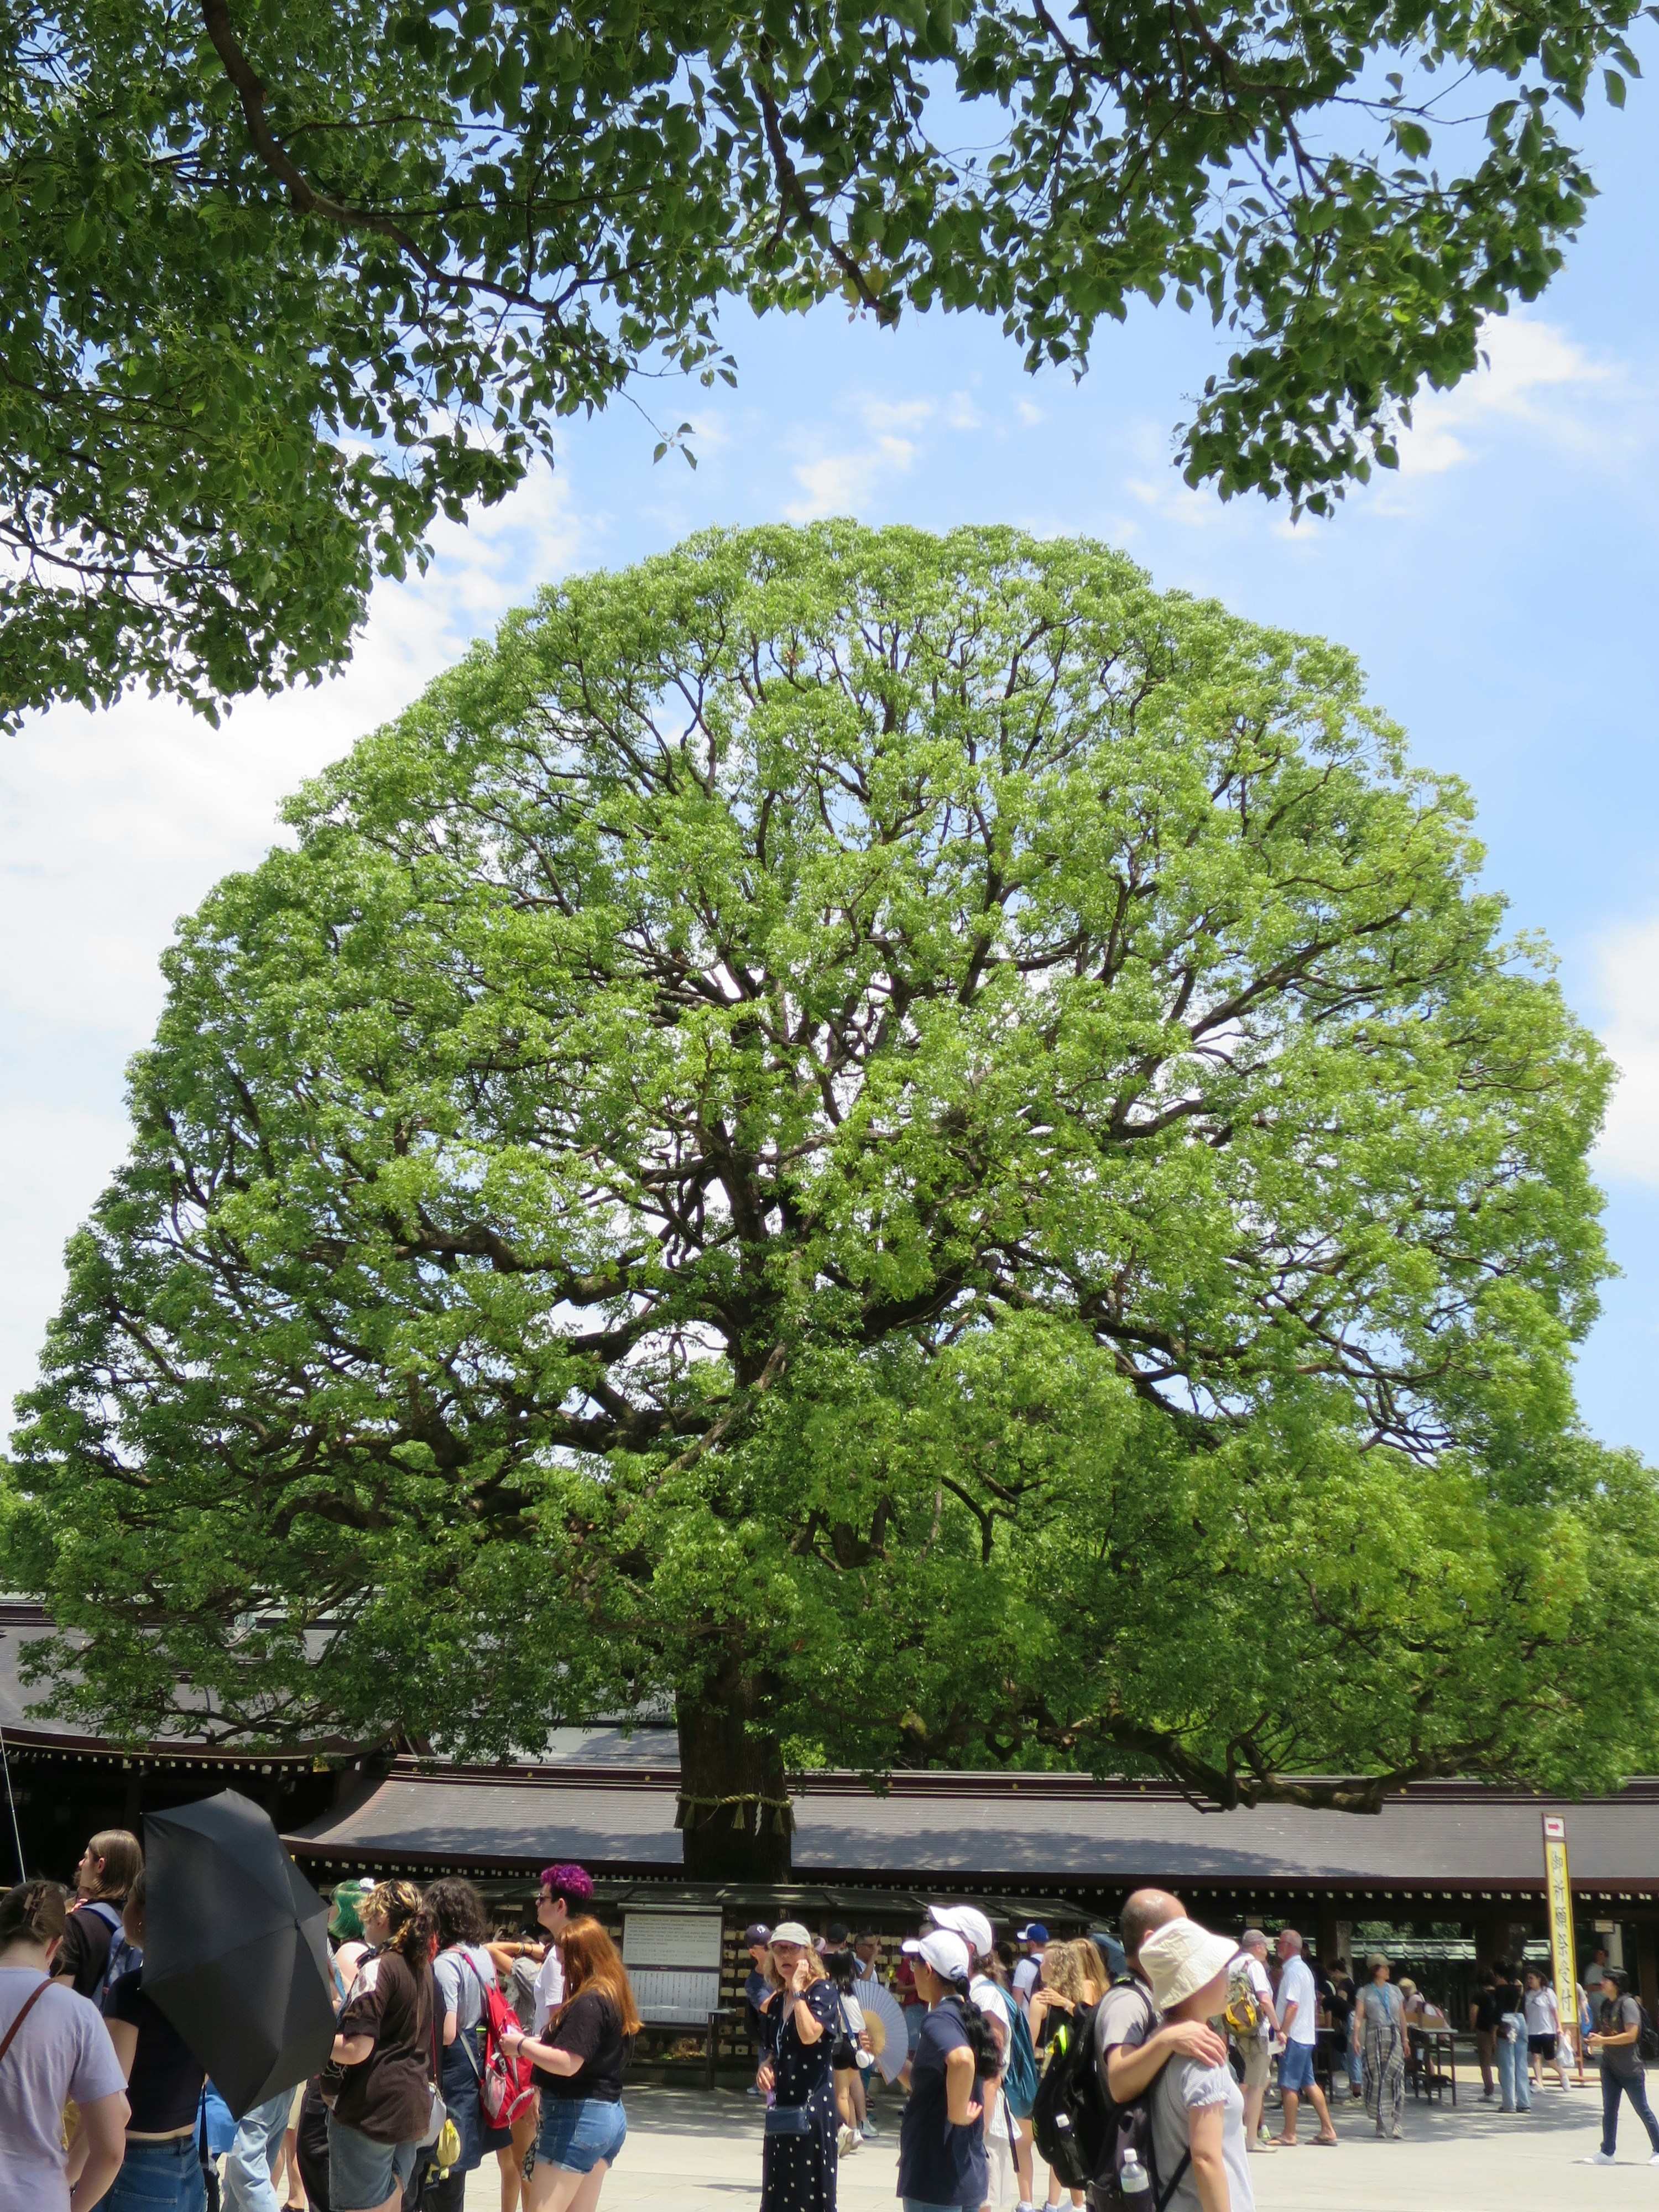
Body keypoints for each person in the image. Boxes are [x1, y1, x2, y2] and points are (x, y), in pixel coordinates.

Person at [0, 1878, 130, 2212]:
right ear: (54, 1946)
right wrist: (70, 2194)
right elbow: (112, 2146)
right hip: (36, 2198)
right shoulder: (78, 2013)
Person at [498, 1915, 637, 2212]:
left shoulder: (589, 2001)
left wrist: (521, 2046)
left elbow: (568, 2061)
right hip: (607, 2115)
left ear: (582, 1959)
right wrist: (527, 2044)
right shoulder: (613, 1993)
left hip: (577, 2117)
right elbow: (572, 2047)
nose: (562, 1969)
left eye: (565, 1961)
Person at [98, 1871, 208, 2211]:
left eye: (130, 1900)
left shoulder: (133, 1991)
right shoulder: (209, 1989)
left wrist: (71, 2172)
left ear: (146, 1915)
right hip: (188, 2161)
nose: (125, 1909)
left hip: (136, 2166)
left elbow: (110, 2097)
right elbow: (204, 2077)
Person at [327, 1879, 437, 2212]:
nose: (362, 1922)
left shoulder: (378, 1968)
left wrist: (311, 2040)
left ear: (380, 1919)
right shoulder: (422, 1968)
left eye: (367, 1914)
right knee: (393, 2201)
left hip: (371, 2109)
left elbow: (357, 2048)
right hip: (412, 2108)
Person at [1138, 1917, 1257, 2212]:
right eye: (1220, 1970)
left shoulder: (1158, 2041)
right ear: (1199, 1982)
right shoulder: (1204, 2057)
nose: (1228, 1979)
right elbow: (1206, 2158)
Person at [1092, 1890, 1227, 2141]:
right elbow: (1120, 2083)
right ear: (1151, 1941)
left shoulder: (1146, 1995)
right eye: (1182, 1930)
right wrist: (1167, 2039)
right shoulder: (1129, 2001)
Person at [422, 1877, 506, 2209]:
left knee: (440, 2154)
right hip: (477, 2057)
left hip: (452, 2063)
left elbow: (447, 2031)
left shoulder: (446, 1962)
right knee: (457, 2157)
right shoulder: (482, 1956)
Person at [896, 1928, 990, 2212]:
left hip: (935, 2170)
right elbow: (927, 2083)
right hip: (963, 2167)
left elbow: (962, 2060)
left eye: (915, 1964)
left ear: (928, 1970)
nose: (912, 1971)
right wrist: (883, 2051)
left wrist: (957, 2114)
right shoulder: (968, 2015)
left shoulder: (939, 2018)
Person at [752, 1921, 842, 2212]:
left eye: (792, 1949)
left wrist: (799, 1991)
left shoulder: (823, 1991)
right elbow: (774, 2049)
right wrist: (766, 2066)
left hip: (812, 2107)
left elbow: (809, 2035)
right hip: (783, 2108)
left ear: (808, 1954)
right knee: (779, 2190)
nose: (784, 1956)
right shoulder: (778, 2001)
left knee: (809, 2192)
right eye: (778, 1950)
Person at [53, 1830, 144, 2002]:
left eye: (86, 1858)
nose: (80, 1864)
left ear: (100, 1865)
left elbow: (55, 2001)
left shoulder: (76, 1925)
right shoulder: (137, 1922)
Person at [1584, 1965, 1659, 2166]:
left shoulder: (1628, 2005)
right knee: (1609, 2110)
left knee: (1642, 2108)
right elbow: (1607, 2033)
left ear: (1617, 1984)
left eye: (1607, 1980)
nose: (1602, 1983)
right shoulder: (1606, 2005)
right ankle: (1607, 2152)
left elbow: (1631, 2035)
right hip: (1609, 2066)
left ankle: (1658, 2149)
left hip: (1630, 2068)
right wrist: (1596, 2038)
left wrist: (1603, 2041)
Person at [1270, 1930, 1337, 2148]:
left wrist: (1283, 2032)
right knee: (1309, 2083)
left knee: (1288, 2085)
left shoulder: (1293, 1972)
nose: (1277, 1947)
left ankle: (1290, 2133)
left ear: (1288, 1946)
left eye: (1279, 1943)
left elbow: (1293, 2005)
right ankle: (1327, 2128)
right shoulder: (1305, 1970)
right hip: (1306, 2035)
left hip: (1295, 2036)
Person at [1228, 1931, 1279, 2154]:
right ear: (1257, 1947)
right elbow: (1265, 1999)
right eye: (1265, 1946)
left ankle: (1233, 2130)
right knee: (1257, 2086)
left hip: (1236, 2032)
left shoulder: (1233, 1965)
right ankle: (1251, 2140)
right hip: (1257, 2032)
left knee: (1251, 2080)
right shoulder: (1255, 1966)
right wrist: (1279, 2029)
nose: (1268, 1951)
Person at [1352, 1954, 1406, 2140]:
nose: (1388, 1970)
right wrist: (1356, 2039)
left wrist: (1405, 2039)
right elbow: (1359, 2018)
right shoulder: (1364, 1992)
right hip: (1374, 2036)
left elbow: (1402, 2017)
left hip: (1393, 2035)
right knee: (1376, 2079)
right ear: (1376, 1970)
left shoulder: (1395, 1991)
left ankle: (1398, 2121)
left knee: (1396, 2077)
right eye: (1385, 1967)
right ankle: (1380, 2122)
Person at [1523, 1966, 1569, 2092]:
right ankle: (1540, 2083)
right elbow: (1527, 2014)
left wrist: (1559, 2027)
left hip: (1547, 2031)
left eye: (1532, 1978)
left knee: (1550, 2060)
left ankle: (1563, 2074)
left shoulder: (1548, 1993)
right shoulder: (1528, 1995)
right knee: (1536, 2057)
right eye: (1528, 1979)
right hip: (1533, 2030)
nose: (1529, 1981)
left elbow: (1555, 2011)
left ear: (1539, 1979)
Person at [1494, 1962, 1532, 2114]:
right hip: (1521, 2021)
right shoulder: (1520, 1988)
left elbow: (1498, 2011)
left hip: (1507, 2021)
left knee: (1507, 2064)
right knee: (1521, 2063)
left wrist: (1494, 2032)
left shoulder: (1501, 1990)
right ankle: (1524, 2103)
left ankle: (1509, 2103)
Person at [1469, 1968, 1501, 2101]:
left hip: (1483, 2029)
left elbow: (1473, 2012)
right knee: (1502, 2061)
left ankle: (1489, 2091)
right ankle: (1508, 2088)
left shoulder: (1479, 1994)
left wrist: (1473, 2026)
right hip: (1500, 2029)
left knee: (1485, 2062)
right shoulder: (1499, 1993)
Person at [1011, 1927, 1047, 2013]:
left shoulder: (1024, 1965)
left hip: (1028, 2021)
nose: (1026, 1944)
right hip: (1048, 2022)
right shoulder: (1054, 1963)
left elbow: (1017, 2000)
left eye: (1027, 1941)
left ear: (1032, 1944)